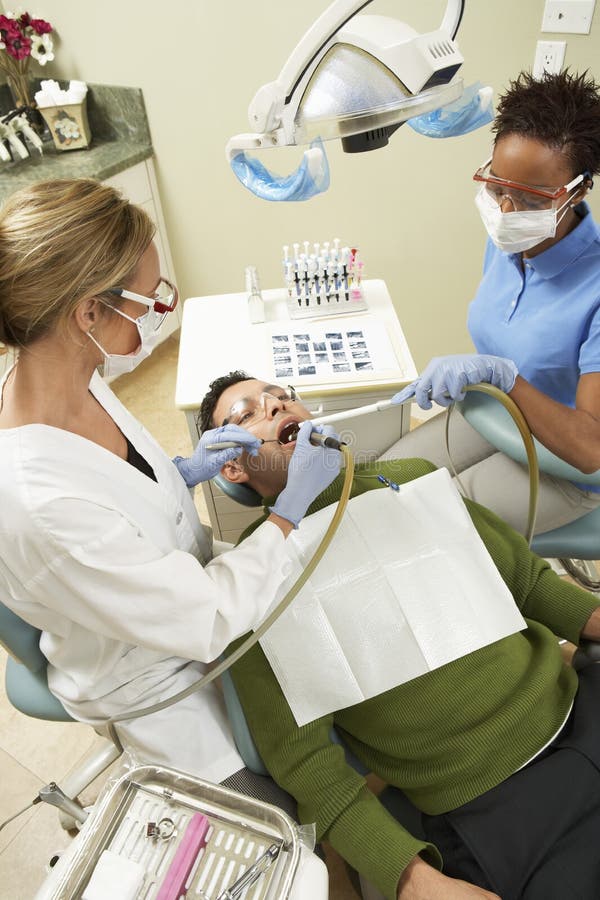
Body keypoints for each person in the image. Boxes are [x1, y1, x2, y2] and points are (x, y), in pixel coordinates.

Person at [199, 370, 600, 900]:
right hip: (492, 801)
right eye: (247, 414)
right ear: (231, 465)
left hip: (579, 708)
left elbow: (529, 584)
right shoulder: (251, 582)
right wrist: (414, 881)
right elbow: (304, 762)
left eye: (281, 397)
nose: (274, 407)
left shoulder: (410, 480)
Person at [0, 178, 340, 789]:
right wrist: (288, 512)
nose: (159, 312)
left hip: (182, 596)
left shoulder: (73, 373)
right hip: (150, 673)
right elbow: (205, 615)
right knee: (273, 812)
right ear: (87, 314)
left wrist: (178, 474)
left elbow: (114, 489)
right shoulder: (38, 502)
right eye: (149, 298)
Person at [387, 70, 600, 536]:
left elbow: (590, 450)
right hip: (495, 418)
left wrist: (505, 377)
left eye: (528, 199)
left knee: (417, 527)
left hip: (566, 468)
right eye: (497, 187)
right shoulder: (509, 242)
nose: (505, 212)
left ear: (578, 190)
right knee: (378, 483)